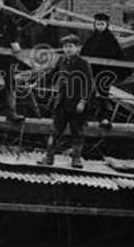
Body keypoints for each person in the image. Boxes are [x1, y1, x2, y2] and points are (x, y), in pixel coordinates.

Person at [38, 33, 94, 169]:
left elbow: (89, 84)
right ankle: (49, 157)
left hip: (77, 104)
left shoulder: (83, 63)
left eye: (70, 46)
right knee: (55, 131)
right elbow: (51, 74)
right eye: (65, 47)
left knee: (77, 132)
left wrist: (83, 101)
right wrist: (36, 83)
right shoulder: (61, 61)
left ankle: (76, 159)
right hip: (61, 103)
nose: (67, 49)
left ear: (77, 47)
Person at [80, 12, 129, 128]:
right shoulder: (91, 39)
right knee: (88, 93)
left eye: (102, 24)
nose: (100, 27)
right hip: (92, 71)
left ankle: (104, 118)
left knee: (103, 94)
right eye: (98, 24)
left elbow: (118, 55)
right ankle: (85, 117)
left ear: (106, 25)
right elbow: (84, 53)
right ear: (95, 24)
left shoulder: (110, 39)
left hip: (105, 72)